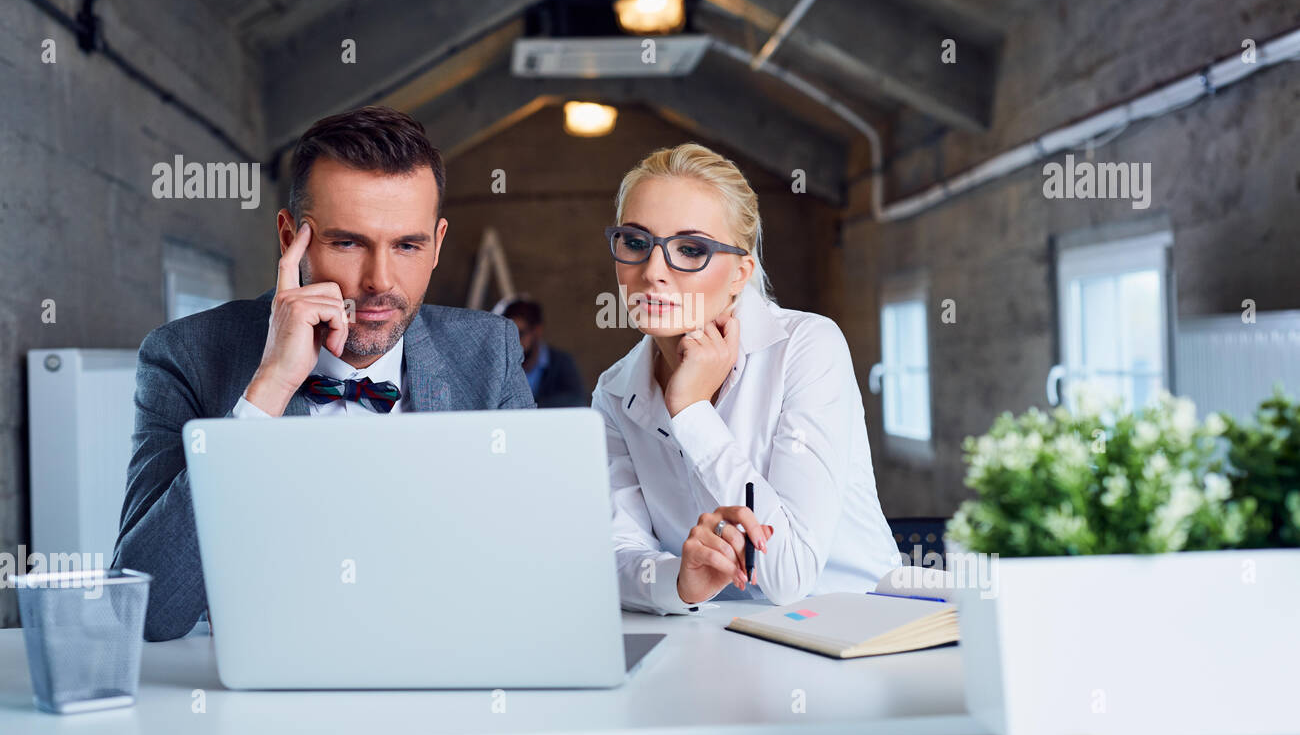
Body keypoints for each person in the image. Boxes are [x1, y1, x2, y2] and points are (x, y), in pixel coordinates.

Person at [113, 106, 536, 641]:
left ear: (438, 244)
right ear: (290, 237)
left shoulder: (487, 352)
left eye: (408, 245)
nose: (380, 281)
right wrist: (267, 392)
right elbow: (144, 613)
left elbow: (534, 559)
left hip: (442, 671)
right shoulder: (185, 356)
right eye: (347, 242)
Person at [590, 143, 899, 614]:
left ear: (740, 273)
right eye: (635, 242)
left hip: (854, 629)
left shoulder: (807, 347)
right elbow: (613, 560)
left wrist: (691, 411)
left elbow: (789, 576)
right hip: (713, 641)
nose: (653, 273)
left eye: (690, 250)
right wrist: (680, 581)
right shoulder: (614, 392)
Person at [498, 298, 588, 407]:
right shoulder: (499, 366)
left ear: (537, 331)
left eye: (519, 334)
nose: (513, 341)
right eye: (507, 335)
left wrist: (529, 407)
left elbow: (577, 401)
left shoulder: (561, 362)